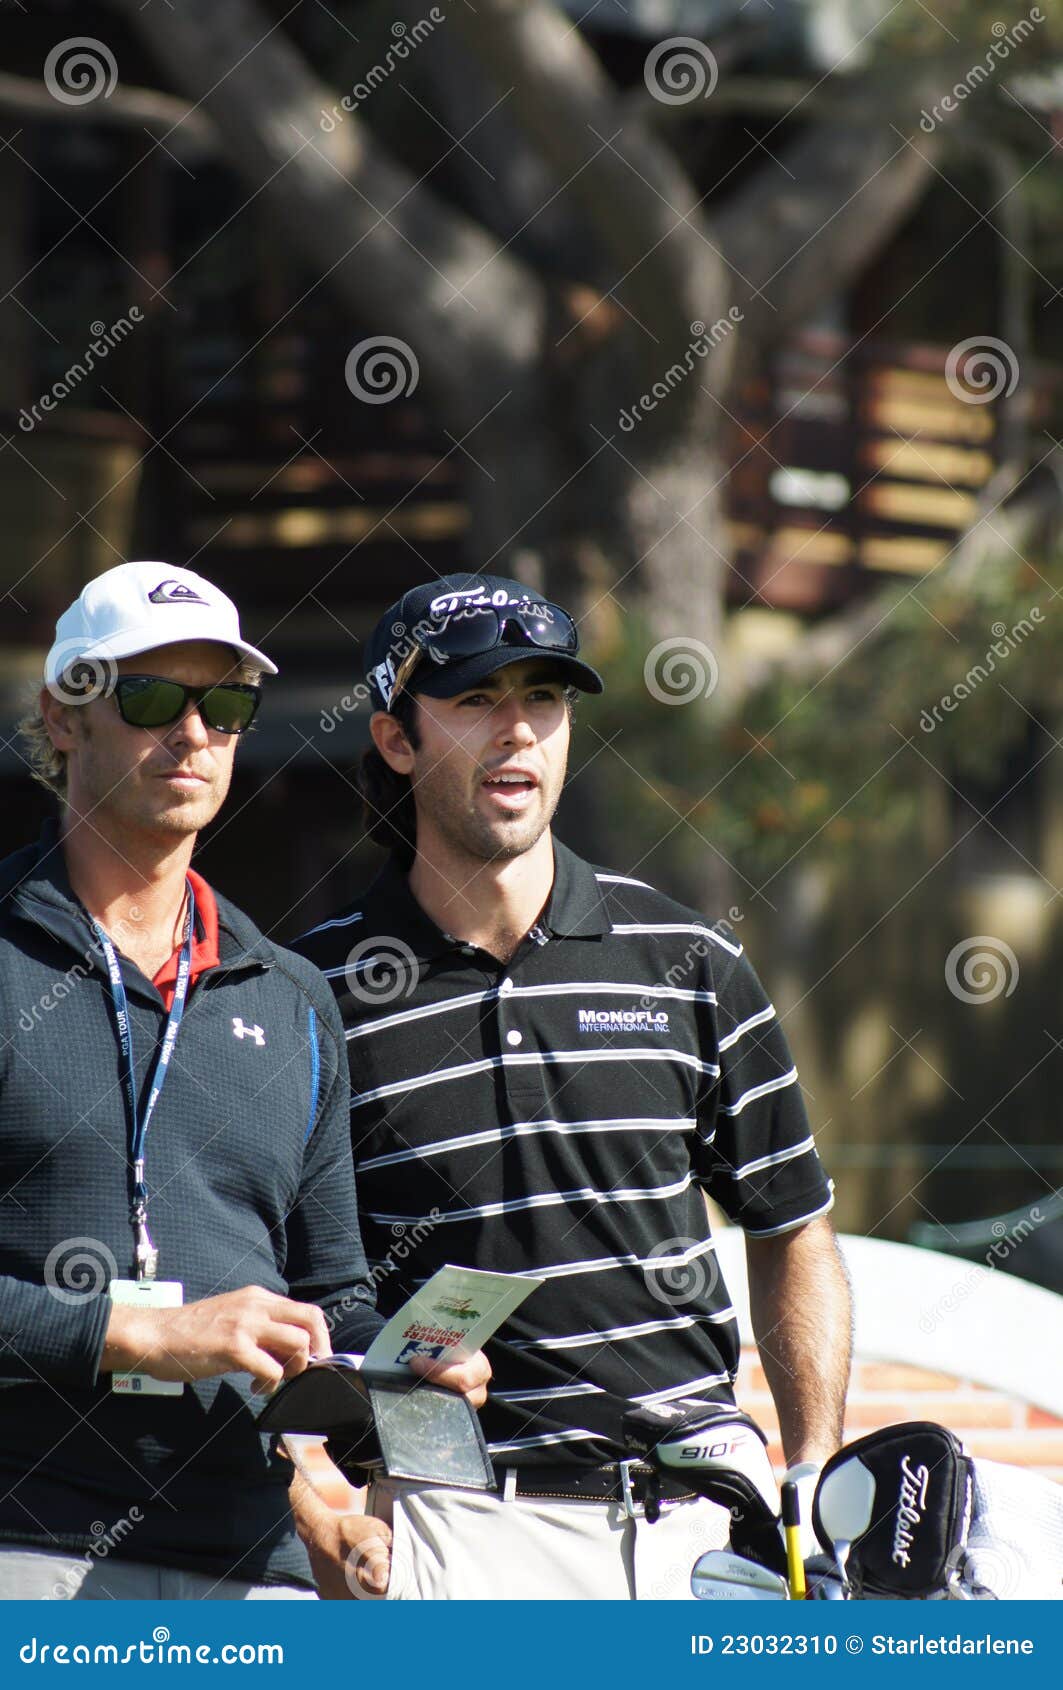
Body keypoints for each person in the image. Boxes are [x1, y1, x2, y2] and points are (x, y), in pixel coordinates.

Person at [293, 572, 853, 1600]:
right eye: (474, 700)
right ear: (395, 740)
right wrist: (319, 1499)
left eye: (542, 699)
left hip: (705, 1521)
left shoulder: (687, 957)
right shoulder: (310, 994)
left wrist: (813, 1473)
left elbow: (791, 1225)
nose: (518, 732)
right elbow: (278, 1283)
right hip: (457, 1524)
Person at [0, 561, 487, 1601]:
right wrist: (129, 1330)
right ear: (63, 716)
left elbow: (334, 1294)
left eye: (223, 705)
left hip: (254, 1562)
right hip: (25, 1542)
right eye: (149, 698)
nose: (192, 734)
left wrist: (404, 1369)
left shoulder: (292, 993)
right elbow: (150, 1329)